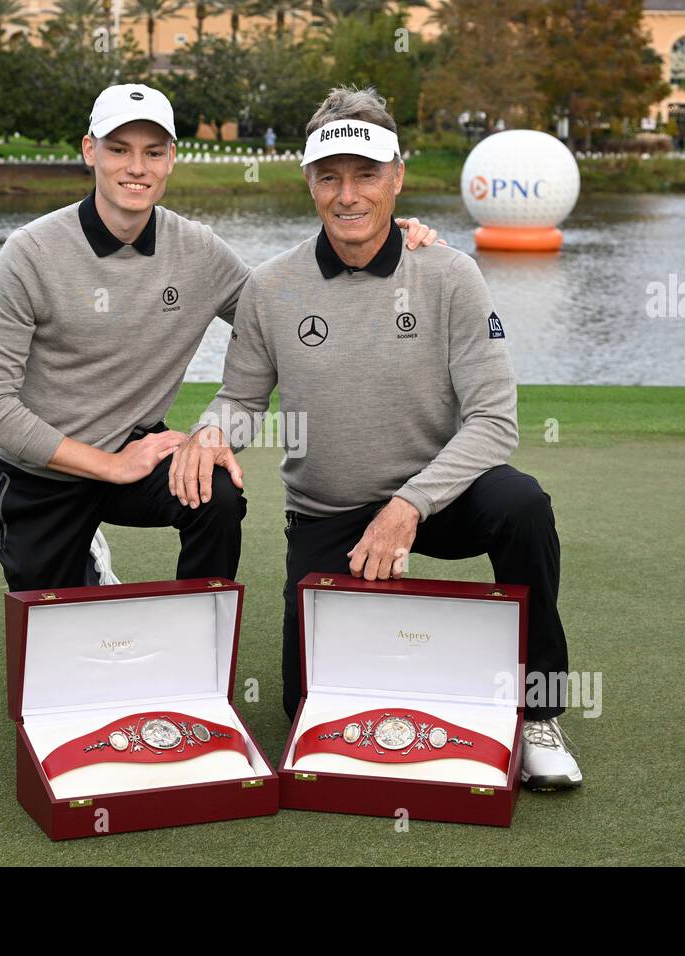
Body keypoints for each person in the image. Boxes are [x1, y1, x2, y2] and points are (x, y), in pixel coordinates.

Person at [169, 86, 582, 790]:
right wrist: (212, 433)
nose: (347, 194)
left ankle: (537, 710)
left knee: (522, 504)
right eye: (329, 177)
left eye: (365, 175)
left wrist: (410, 504)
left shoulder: (449, 274)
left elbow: (495, 421)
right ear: (309, 182)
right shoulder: (273, 288)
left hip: (438, 502)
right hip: (330, 511)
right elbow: (242, 398)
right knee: (311, 718)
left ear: (397, 176)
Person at [0, 83, 441, 593]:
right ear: (89, 150)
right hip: (45, 472)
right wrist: (110, 465)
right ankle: (83, 550)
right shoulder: (31, 252)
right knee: (54, 640)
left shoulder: (198, 250)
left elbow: (286, 315)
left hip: (139, 451)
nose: (136, 168)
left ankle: (197, 628)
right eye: (118, 150)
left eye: (152, 152)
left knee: (215, 494)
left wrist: (382, 240)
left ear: (171, 158)